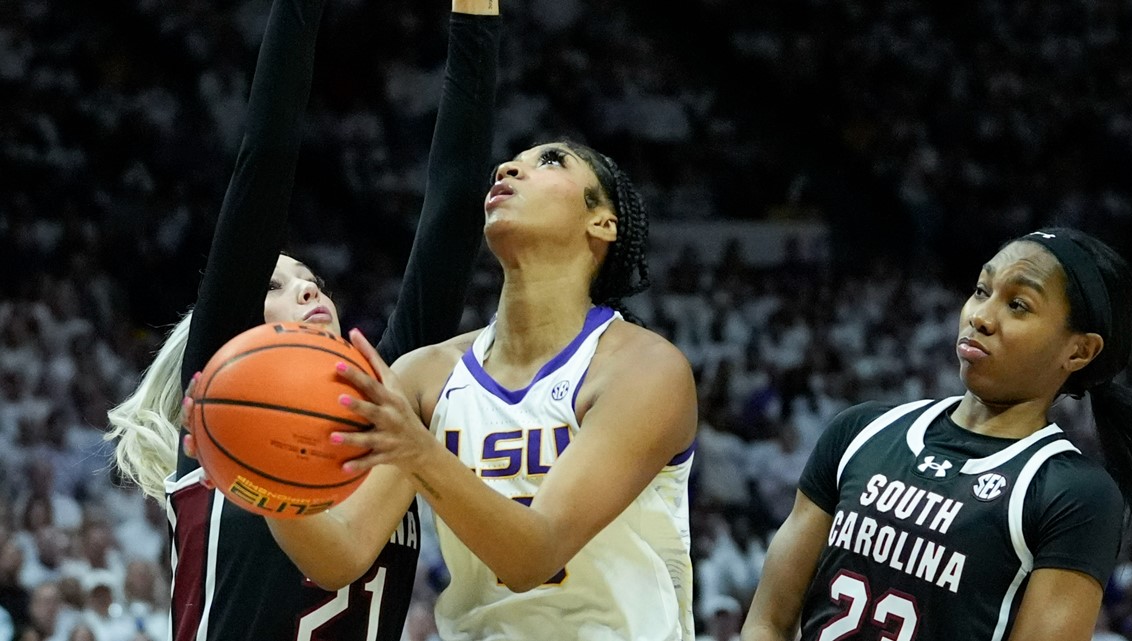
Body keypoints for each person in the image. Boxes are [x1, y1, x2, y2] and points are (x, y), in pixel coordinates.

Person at [105, 0, 502, 639]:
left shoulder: (392, 407)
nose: (310, 292)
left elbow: (454, 212)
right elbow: (265, 160)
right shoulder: (226, 398)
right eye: (277, 285)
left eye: (314, 283)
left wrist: (476, 18)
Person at [206, 141, 699, 639]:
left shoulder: (644, 369)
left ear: (603, 223)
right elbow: (343, 554)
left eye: (549, 161)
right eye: (512, 161)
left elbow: (535, 556)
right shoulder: (425, 374)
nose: (507, 167)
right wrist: (266, 479)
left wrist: (422, 453)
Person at [739, 227, 1132, 641]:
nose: (980, 317)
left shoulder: (1071, 491)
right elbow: (767, 621)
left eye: (1018, 305)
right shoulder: (860, 431)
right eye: (982, 291)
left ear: (1079, 351)